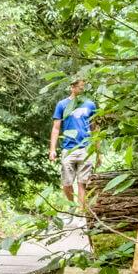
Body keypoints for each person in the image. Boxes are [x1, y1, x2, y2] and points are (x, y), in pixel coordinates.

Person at [49, 78, 98, 211]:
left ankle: (81, 213)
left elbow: (95, 128)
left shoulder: (90, 105)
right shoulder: (62, 104)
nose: (82, 90)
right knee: (67, 183)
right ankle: (72, 207)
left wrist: (98, 151)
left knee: (82, 183)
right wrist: (52, 149)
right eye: (80, 87)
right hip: (68, 149)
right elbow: (56, 128)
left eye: (84, 88)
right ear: (73, 87)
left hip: (85, 149)